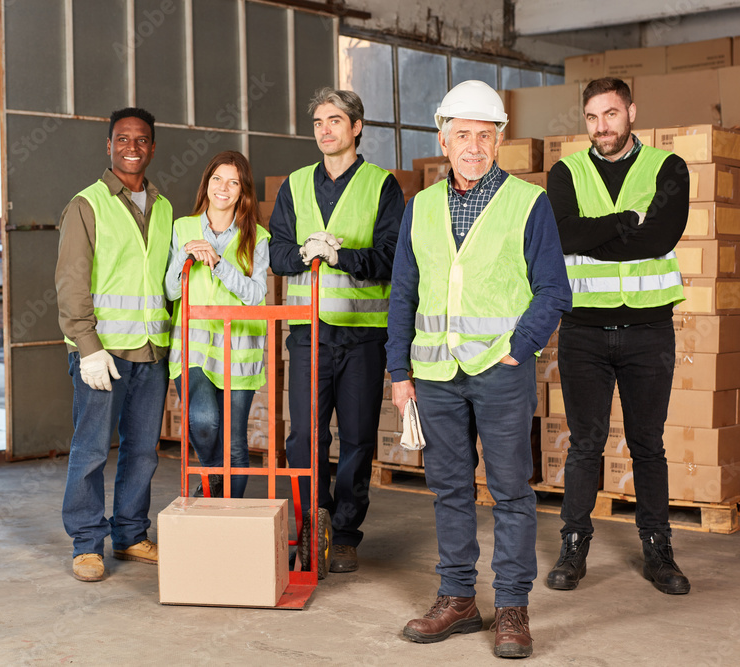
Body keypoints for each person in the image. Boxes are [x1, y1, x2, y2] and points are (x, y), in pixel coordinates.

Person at [388, 80, 571, 658]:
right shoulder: (418, 208)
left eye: (484, 136)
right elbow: (403, 294)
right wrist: (399, 373)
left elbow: (553, 290)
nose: (472, 146)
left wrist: (519, 347)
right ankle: (459, 598)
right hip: (436, 375)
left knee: (511, 490)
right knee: (448, 489)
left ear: (499, 141)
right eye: (462, 134)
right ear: (443, 139)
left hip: (500, 370)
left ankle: (511, 607)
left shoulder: (527, 202)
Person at [545, 78, 690, 595]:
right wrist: (627, 223)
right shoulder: (566, 172)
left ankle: (659, 551)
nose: (601, 127)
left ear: (631, 111)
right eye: (591, 117)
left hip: (649, 329)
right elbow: (561, 235)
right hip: (583, 329)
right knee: (585, 445)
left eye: (610, 114)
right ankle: (573, 547)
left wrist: (598, 230)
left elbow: (661, 237)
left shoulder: (667, 168)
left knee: (648, 444)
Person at [269, 87, 404, 577]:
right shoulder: (295, 185)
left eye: (334, 121)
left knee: (357, 439)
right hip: (307, 336)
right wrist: (305, 252)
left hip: (362, 338)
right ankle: (312, 523)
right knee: (303, 438)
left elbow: (391, 258)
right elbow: (276, 253)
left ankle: (344, 533)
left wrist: (340, 256)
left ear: (356, 127)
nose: (325, 130)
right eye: (318, 123)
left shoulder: (382, 186)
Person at [55, 107, 173, 582]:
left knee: (143, 450)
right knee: (90, 450)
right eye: (122, 139)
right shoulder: (87, 204)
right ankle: (87, 544)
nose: (131, 147)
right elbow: (70, 282)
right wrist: (87, 347)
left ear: (151, 147)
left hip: (150, 350)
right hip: (101, 353)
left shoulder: (164, 206)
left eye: (141, 139)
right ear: (109, 145)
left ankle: (129, 534)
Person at [164, 151, 270, 499]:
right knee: (205, 422)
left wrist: (219, 264)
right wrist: (186, 255)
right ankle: (212, 478)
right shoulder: (183, 228)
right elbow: (167, 288)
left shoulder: (258, 237)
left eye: (233, 182)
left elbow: (255, 295)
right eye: (217, 179)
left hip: (239, 352)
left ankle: (231, 516)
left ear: (243, 191)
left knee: (236, 443)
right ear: (206, 184)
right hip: (193, 348)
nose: (223, 188)